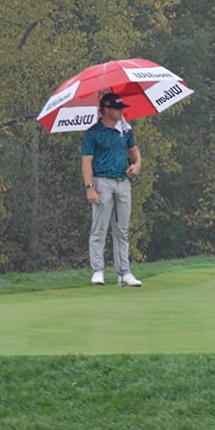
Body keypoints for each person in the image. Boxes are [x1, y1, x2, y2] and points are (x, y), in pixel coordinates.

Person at [82, 91, 142, 288]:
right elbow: (87, 162)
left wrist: (137, 164)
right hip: (101, 181)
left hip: (122, 181)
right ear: (106, 110)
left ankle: (124, 273)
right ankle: (98, 270)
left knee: (122, 231)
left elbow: (134, 153)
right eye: (117, 109)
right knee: (99, 229)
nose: (120, 112)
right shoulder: (93, 133)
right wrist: (90, 187)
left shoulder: (125, 130)